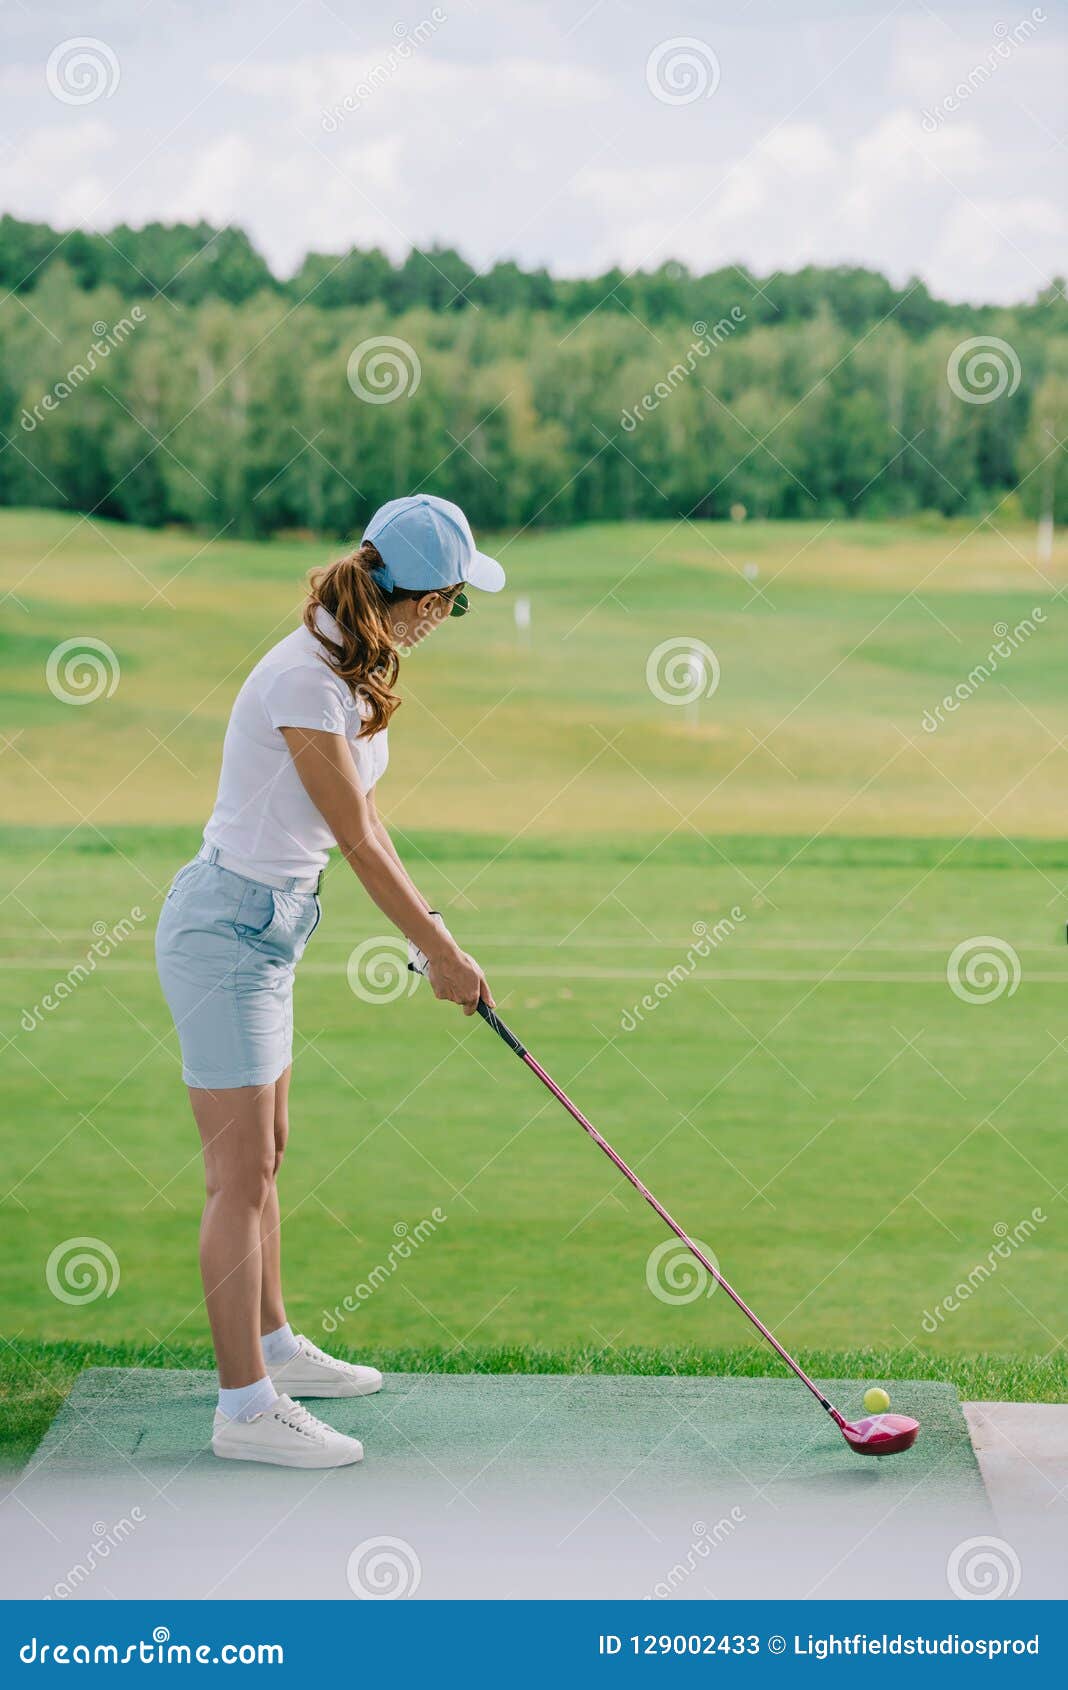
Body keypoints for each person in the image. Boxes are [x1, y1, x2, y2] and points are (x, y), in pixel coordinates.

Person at [156, 495, 502, 1468]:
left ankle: (272, 1349)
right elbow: (350, 837)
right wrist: (437, 951)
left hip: (266, 931)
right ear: (424, 600)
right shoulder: (308, 676)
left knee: (267, 1150)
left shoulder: (342, 654)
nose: (447, 620)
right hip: (226, 929)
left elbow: (369, 822)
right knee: (237, 1177)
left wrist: (438, 934)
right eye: (454, 603)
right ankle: (244, 1409)